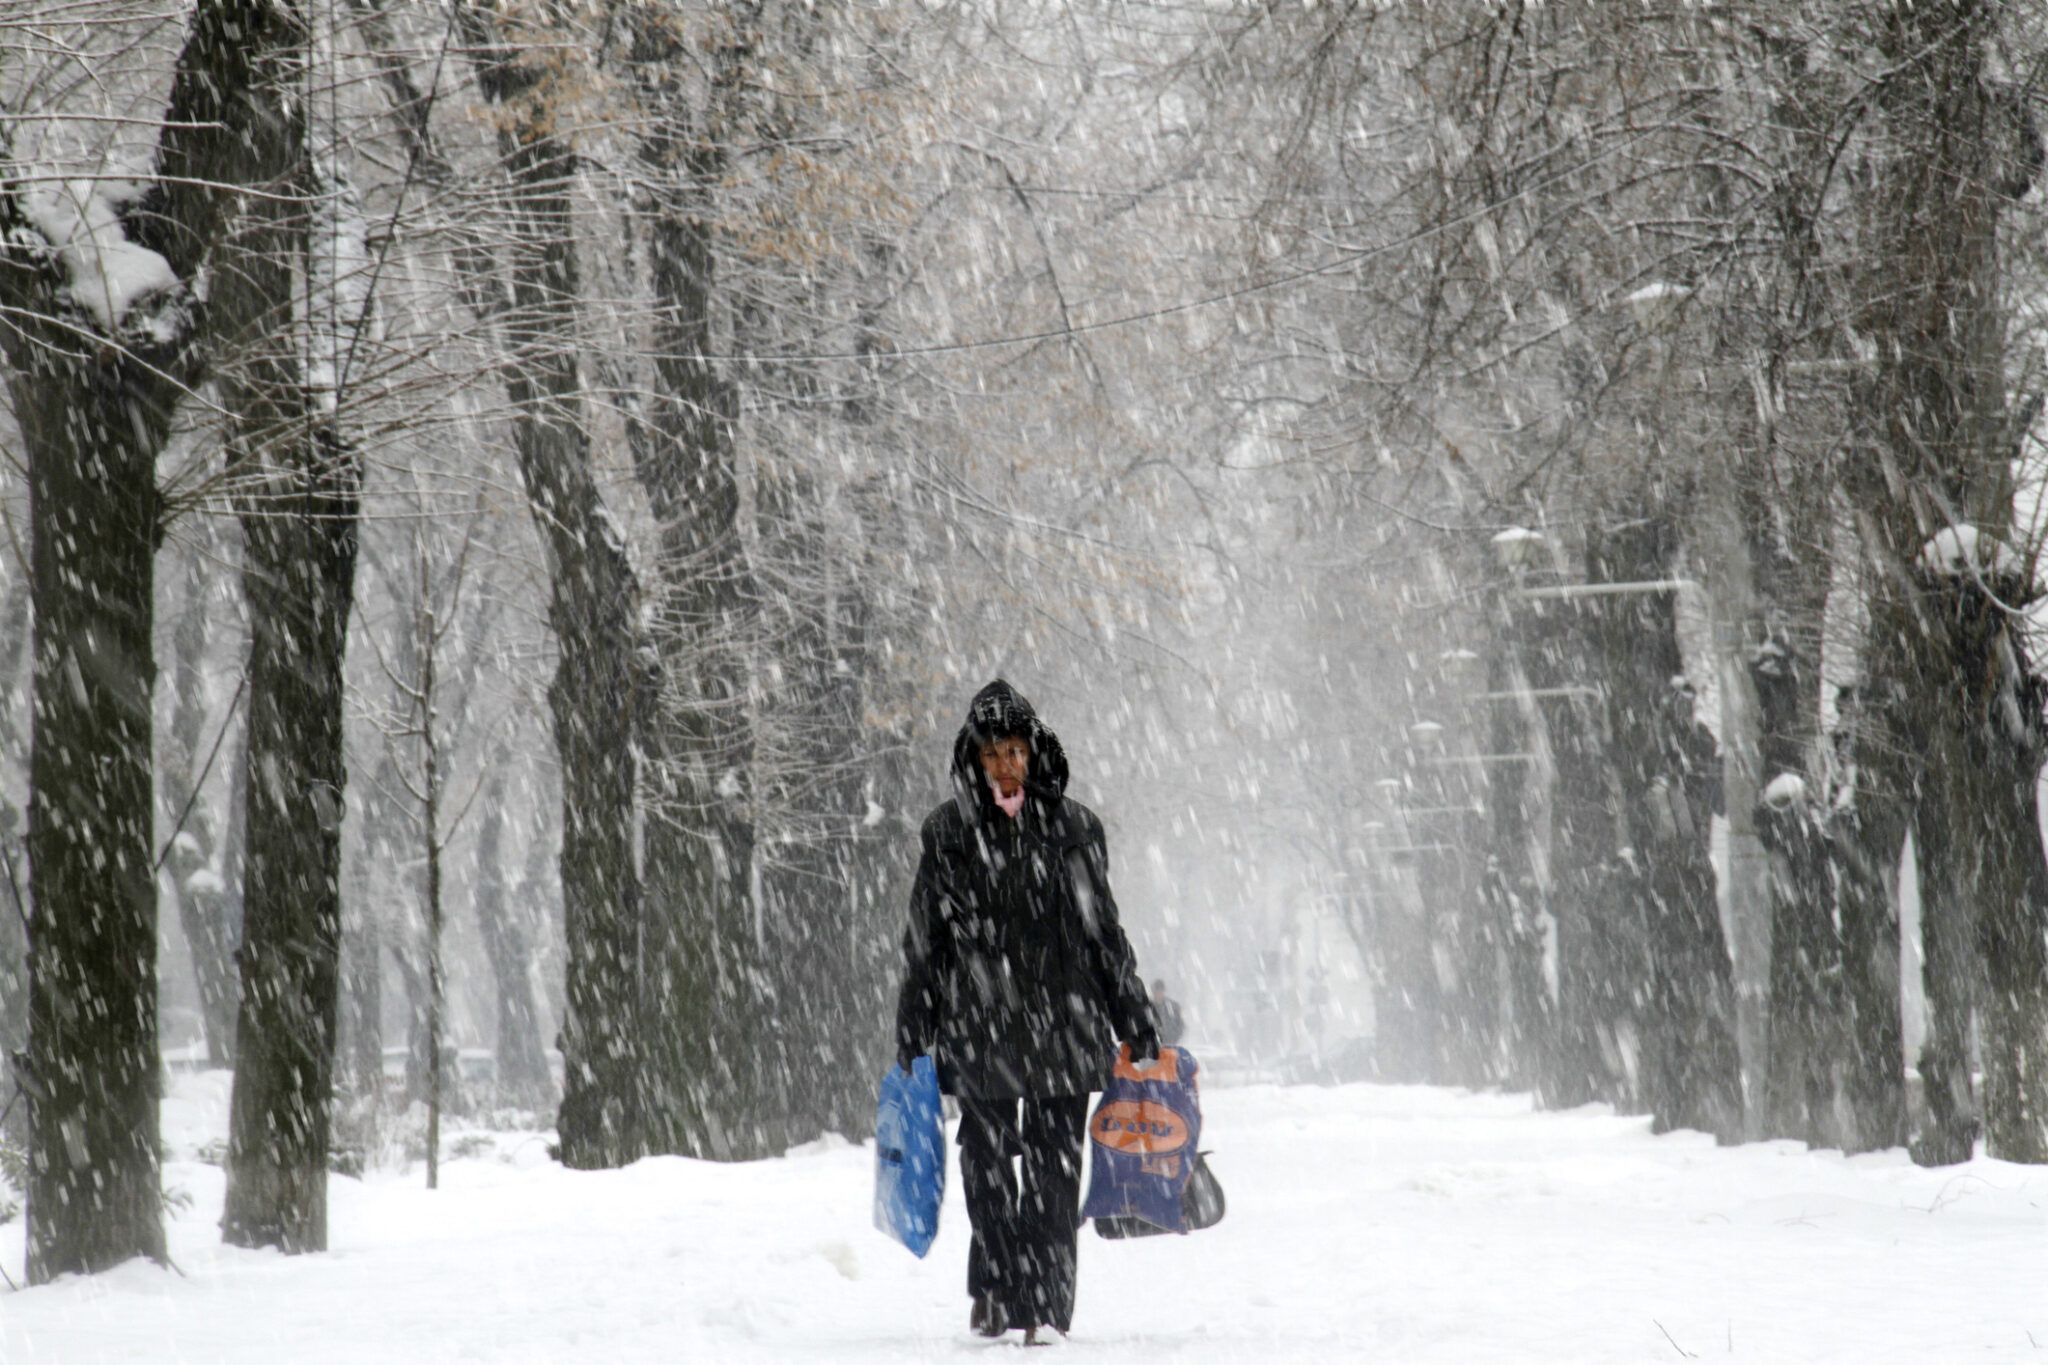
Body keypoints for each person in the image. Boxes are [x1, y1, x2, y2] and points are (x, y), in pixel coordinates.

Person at [896, 679, 1157, 1345]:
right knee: (986, 1164)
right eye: (993, 754)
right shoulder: (949, 834)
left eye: (1016, 749)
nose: (1007, 764)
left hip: (1063, 1032)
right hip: (980, 1029)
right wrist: (914, 1026)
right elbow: (927, 943)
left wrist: (1133, 1013)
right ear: (974, 760)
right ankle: (994, 1286)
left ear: (1035, 750)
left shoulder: (1074, 831)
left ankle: (1044, 1306)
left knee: (1053, 1171)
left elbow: (1104, 934)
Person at [1149, 979, 1186, 1047]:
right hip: (1151, 1045)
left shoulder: (1171, 1007)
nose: (1158, 993)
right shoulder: (1147, 1007)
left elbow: (1180, 1025)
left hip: (1169, 1045)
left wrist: (1171, 1040)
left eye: (1160, 991)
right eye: (1156, 991)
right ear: (1153, 992)